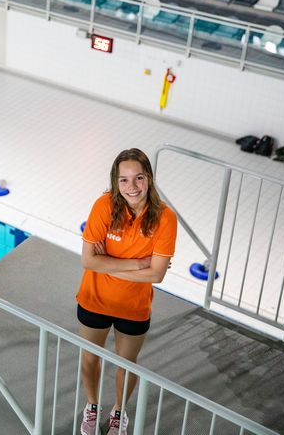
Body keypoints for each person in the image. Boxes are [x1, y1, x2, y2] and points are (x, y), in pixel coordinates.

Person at [76, 148, 177, 435]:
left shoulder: (165, 218)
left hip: (134, 306)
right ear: (115, 181)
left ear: (149, 179)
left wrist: (105, 264)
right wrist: (136, 264)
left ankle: (119, 412)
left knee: (126, 364)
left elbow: (156, 274)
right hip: (95, 299)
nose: (131, 187)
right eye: (123, 180)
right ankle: (92, 406)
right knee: (90, 358)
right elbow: (86, 260)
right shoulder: (104, 206)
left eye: (138, 178)